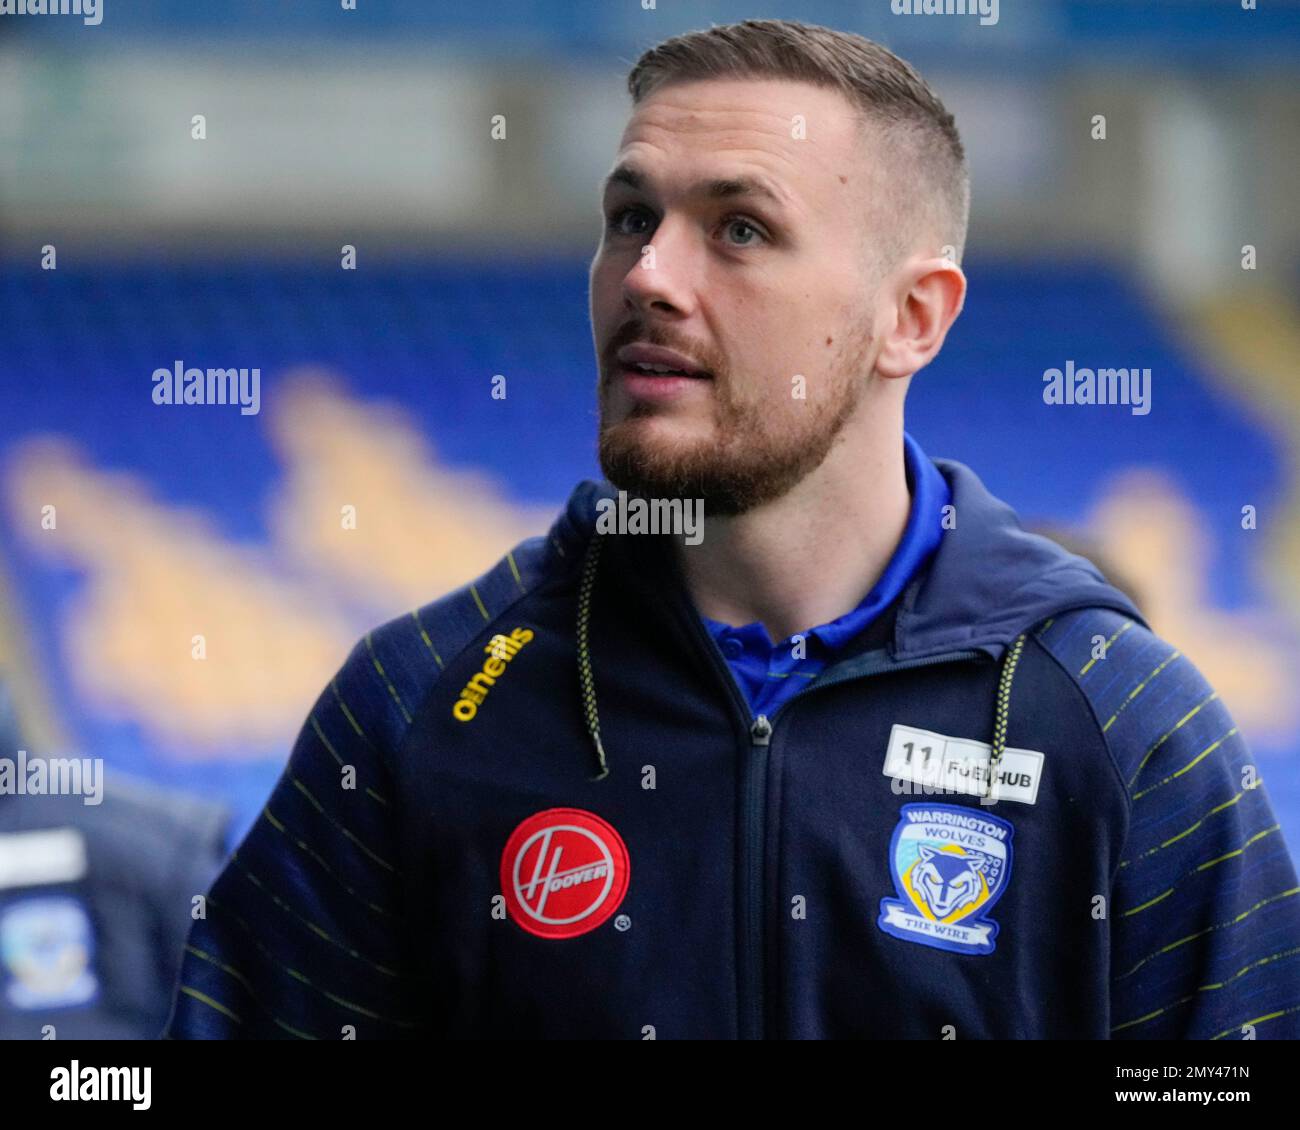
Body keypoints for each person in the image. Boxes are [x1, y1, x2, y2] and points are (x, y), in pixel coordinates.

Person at [165, 18, 1300, 1040]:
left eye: (741, 228)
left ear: (910, 317)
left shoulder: (1123, 724)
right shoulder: (420, 702)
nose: (648, 274)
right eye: (628, 218)